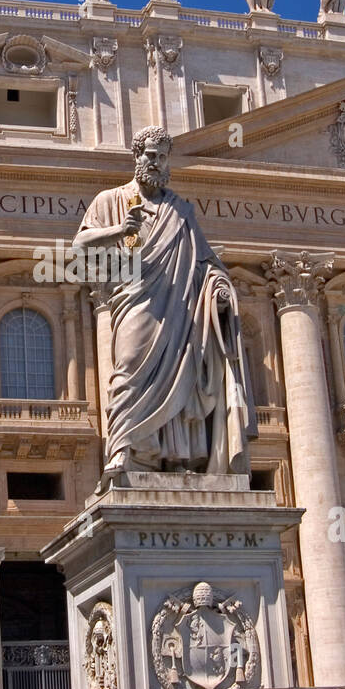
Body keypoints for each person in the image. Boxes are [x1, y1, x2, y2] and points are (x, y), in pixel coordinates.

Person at [74, 126, 256, 488]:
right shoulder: (111, 200)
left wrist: (219, 290)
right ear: (136, 157)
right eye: (149, 155)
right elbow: (79, 247)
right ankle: (122, 448)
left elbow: (207, 263)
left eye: (161, 156)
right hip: (134, 302)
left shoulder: (182, 211)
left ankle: (174, 458)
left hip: (179, 309)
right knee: (128, 370)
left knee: (180, 378)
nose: (155, 162)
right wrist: (118, 230)